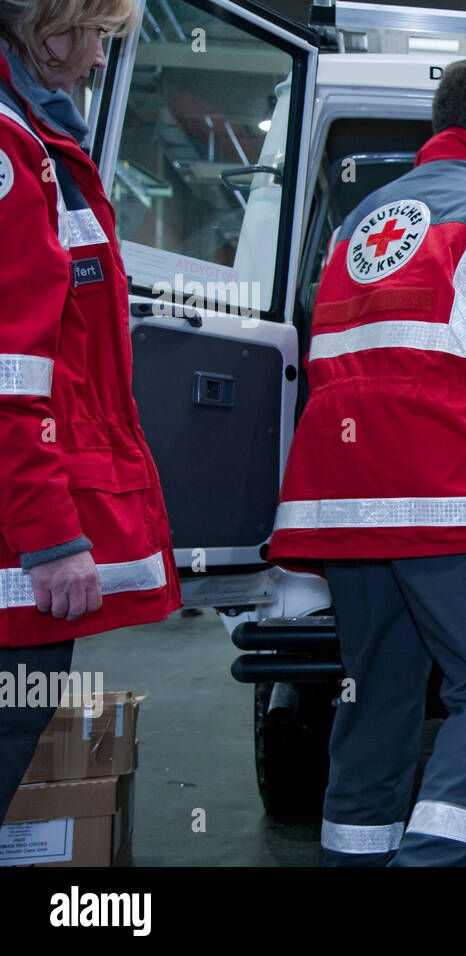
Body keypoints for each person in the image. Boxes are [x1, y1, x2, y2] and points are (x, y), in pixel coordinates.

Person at [267, 54, 466, 867]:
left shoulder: (362, 218)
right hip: (448, 499)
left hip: (340, 500)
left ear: (439, 123)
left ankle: (355, 857)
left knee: (377, 695)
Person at [0, 0, 181, 822]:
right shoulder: (15, 149)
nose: (100, 62)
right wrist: (50, 539)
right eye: (98, 38)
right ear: (48, 25)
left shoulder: (38, 142)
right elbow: (11, 373)